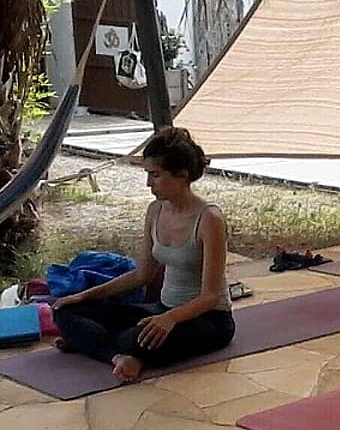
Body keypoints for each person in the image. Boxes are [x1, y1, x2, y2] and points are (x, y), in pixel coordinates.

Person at [52, 128, 234, 383]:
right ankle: (119, 357)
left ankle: (101, 345)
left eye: (156, 175)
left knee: (131, 337)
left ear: (182, 175)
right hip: (162, 310)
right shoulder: (155, 210)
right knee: (66, 310)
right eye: (148, 174)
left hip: (207, 320)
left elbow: (210, 296)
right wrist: (85, 295)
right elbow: (142, 275)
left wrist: (169, 319)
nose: (149, 183)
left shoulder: (209, 219)